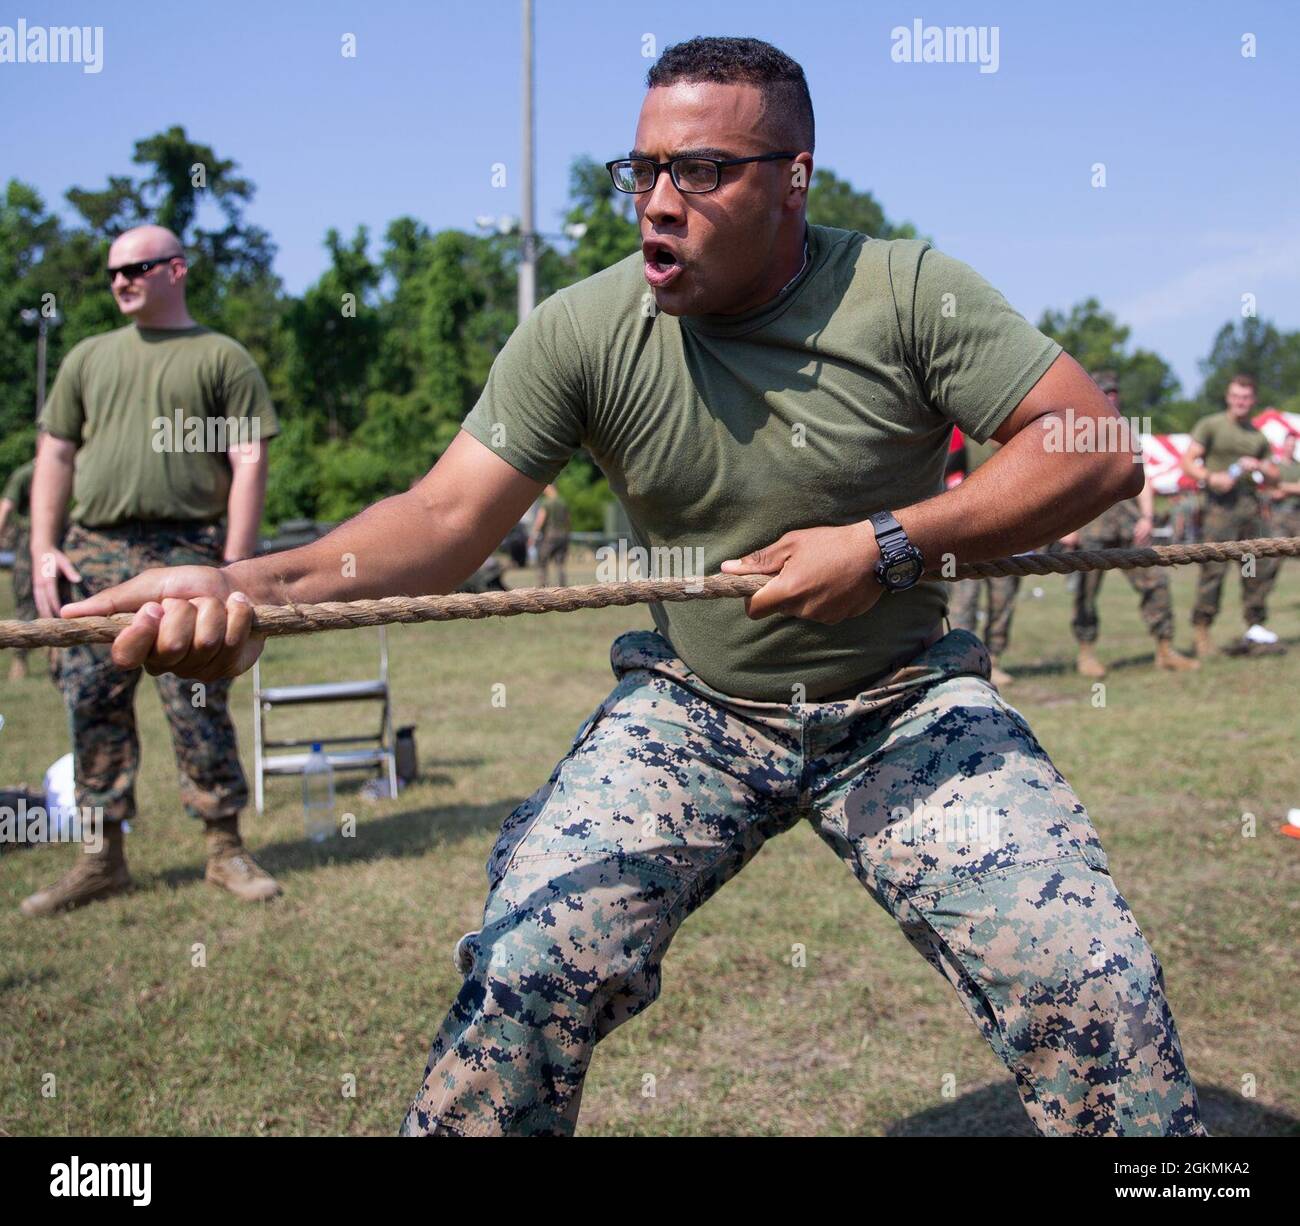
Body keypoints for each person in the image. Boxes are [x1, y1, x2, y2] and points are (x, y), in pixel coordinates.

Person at [61, 38, 1206, 1137]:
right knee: (524, 962)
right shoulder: (581, 329)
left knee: (1091, 989)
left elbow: (1093, 441)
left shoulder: (906, 289)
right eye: (643, 168)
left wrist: (886, 543)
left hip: (902, 701)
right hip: (695, 708)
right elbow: (439, 519)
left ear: (795, 177)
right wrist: (239, 582)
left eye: (702, 170)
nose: (659, 200)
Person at [21, 224, 281, 917]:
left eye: (136, 267)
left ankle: (225, 848)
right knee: (90, 702)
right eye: (112, 271)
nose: (120, 281)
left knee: (198, 702)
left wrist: (234, 561)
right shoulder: (87, 357)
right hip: (95, 549)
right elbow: (55, 454)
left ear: (176, 269)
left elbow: (248, 460)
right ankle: (101, 858)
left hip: (188, 548)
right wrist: (43, 546)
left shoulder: (221, 355)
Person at [1058, 372, 1197, 678]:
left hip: (1129, 527)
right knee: (1086, 594)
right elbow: (1065, 484)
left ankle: (1165, 649)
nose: (1111, 398)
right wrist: (1068, 527)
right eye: (1104, 392)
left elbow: (1142, 479)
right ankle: (1086, 655)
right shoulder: (1072, 433)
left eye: (1114, 393)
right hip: (1090, 527)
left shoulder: (1125, 433)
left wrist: (1147, 517)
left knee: (1156, 582)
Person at [1180, 374, 1281, 657]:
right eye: (1236, 396)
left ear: (1254, 400)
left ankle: (1255, 628)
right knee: (1213, 570)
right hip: (1218, 510)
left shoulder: (1257, 437)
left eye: (1246, 397)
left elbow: (1273, 476)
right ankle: (1202, 631)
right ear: (1228, 397)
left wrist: (1259, 465)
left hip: (1249, 510)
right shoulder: (1211, 425)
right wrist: (1211, 477)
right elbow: (1187, 463)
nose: (1241, 402)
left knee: (1254, 570)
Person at [946, 437, 1019, 686]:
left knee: (1003, 600)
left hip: (1007, 535)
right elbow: (947, 472)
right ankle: (961, 662)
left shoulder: (1020, 442)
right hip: (969, 536)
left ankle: (994, 660)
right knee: (965, 601)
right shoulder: (970, 443)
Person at [0, 457, 36, 681]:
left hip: (62, 540)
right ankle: (19, 660)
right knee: (26, 600)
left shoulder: (76, 466)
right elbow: (6, 508)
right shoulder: (24, 474)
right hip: (28, 543)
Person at [528, 483, 571, 586]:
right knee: (560, 563)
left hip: (550, 536)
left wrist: (533, 535)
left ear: (550, 488)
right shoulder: (563, 502)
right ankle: (562, 586)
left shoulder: (546, 503)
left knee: (542, 560)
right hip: (563, 536)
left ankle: (543, 585)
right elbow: (568, 521)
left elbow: (540, 520)